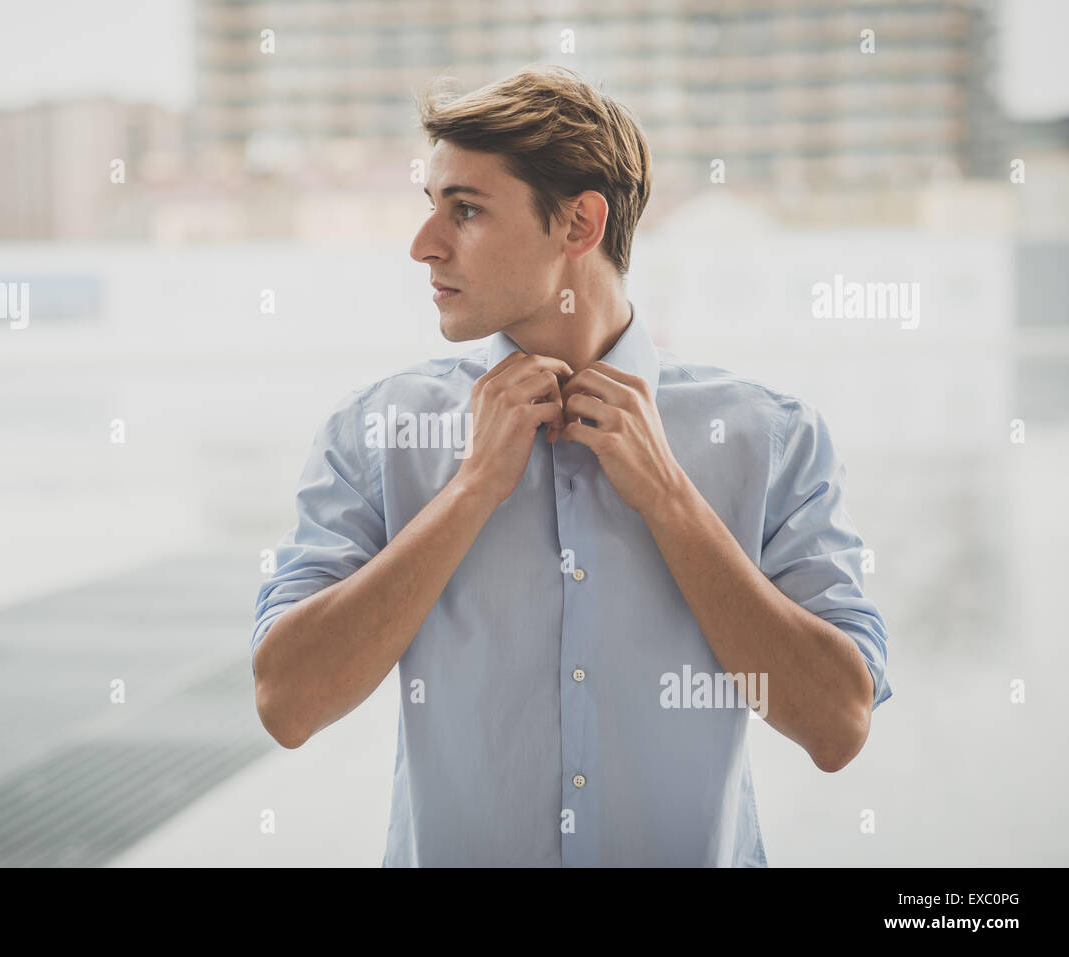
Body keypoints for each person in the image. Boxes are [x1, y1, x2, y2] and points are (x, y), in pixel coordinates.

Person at [250, 64, 892, 866]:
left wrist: (669, 499)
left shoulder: (770, 437)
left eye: (468, 210)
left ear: (580, 224)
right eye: (431, 208)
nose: (424, 245)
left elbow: (837, 724)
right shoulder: (377, 433)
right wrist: (472, 488)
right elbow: (287, 702)